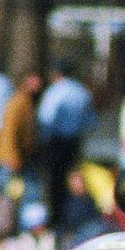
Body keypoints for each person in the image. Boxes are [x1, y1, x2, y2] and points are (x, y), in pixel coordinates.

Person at [37, 60, 95, 221]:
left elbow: (46, 119)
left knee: (55, 181)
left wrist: (44, 143)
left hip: (57, 142)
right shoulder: (82, 92)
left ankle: (56, 216)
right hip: (75, 142)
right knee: (75, 179)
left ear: (57, 74)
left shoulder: (55, 91)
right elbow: (91, 122)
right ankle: (75, 216)